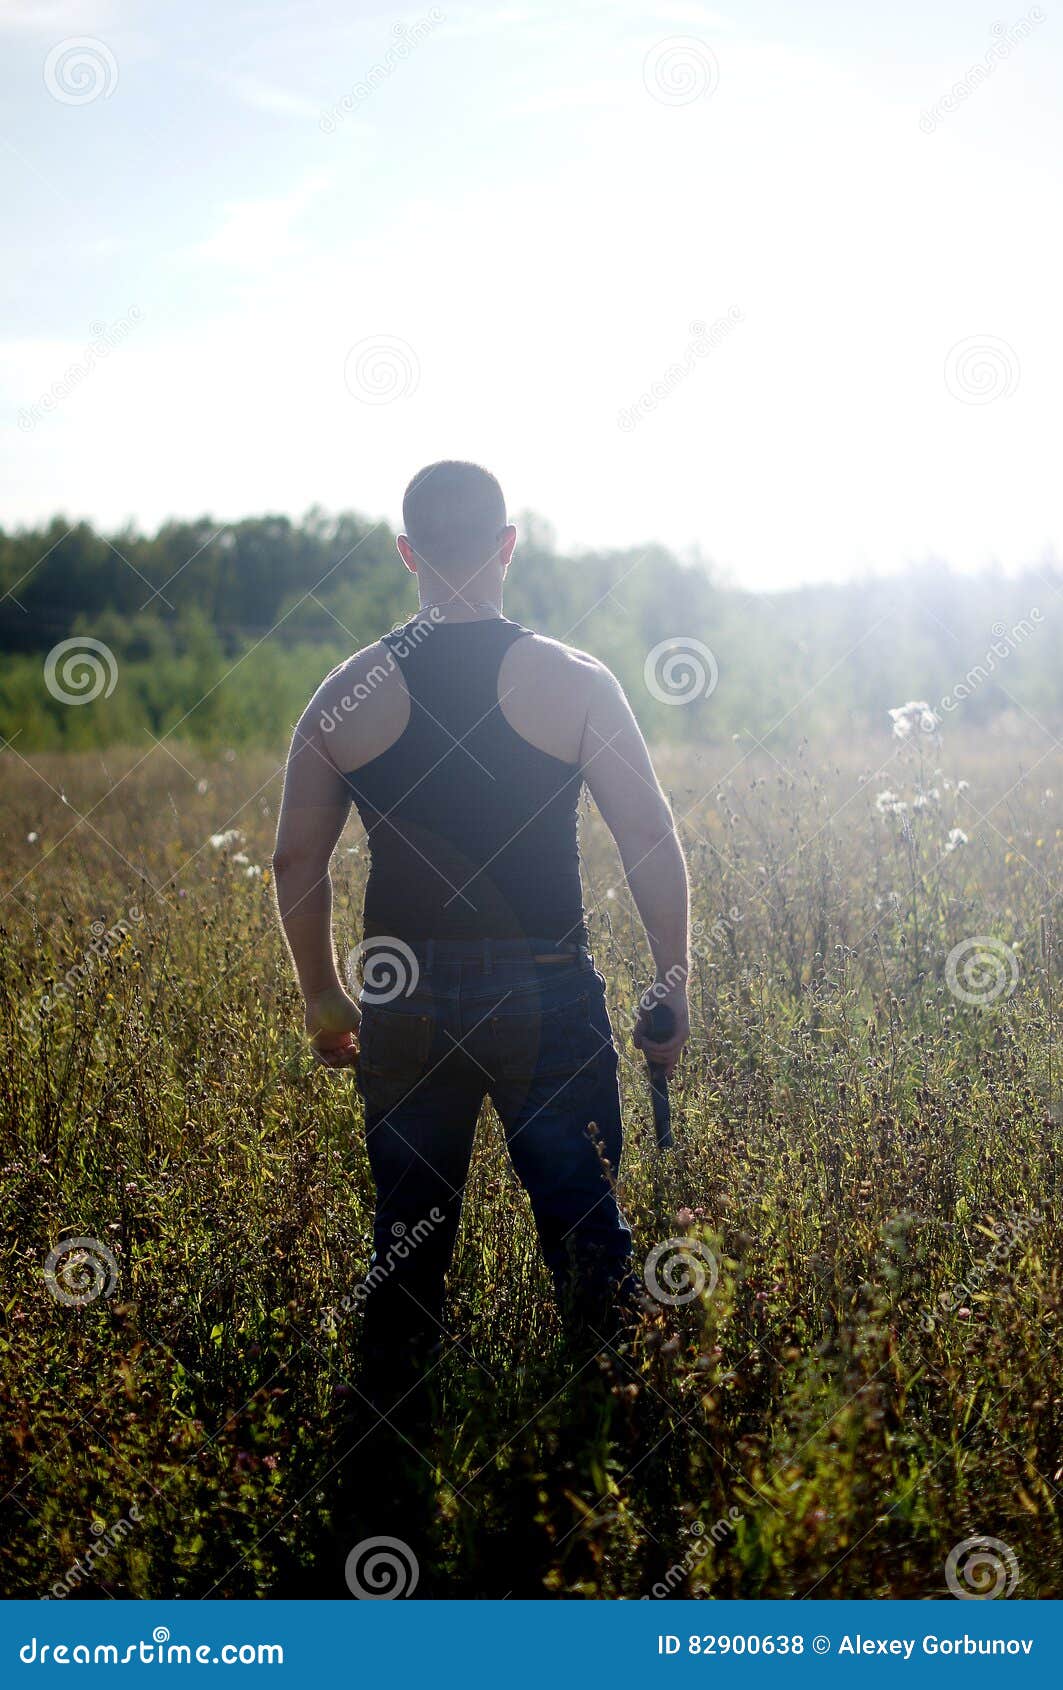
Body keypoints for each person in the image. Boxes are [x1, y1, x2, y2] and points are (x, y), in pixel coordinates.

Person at [273, 461, 689, 1404]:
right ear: (508, 546)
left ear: (407, 554)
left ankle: (388, 1437)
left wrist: (321, 994)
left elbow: (294, 865)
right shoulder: (576, 681)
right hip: (544, 991)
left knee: (407, 1237)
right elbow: (649, 837)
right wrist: (673, 981)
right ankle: (609, 1435)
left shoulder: (345, 691)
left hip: (401, 996)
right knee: (586, 1231)